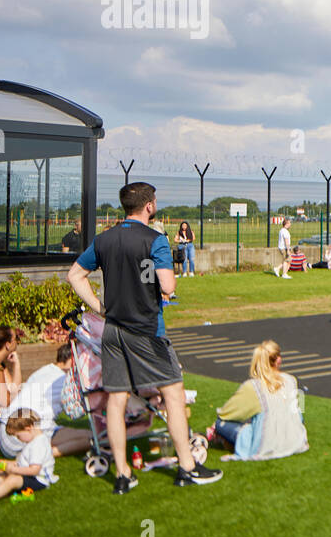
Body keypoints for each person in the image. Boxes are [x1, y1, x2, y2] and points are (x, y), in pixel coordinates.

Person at [67, 181, 222, 493]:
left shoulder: (104, 239)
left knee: (116, 399)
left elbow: (74, 275)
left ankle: (123, 474)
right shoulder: (156, 240)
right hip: (147, 331)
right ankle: (187, 467)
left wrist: (100, 307)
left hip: (113, 331)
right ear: (149, 205)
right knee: (173, 394)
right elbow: (168, 287)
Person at [210, 341, 308, 461]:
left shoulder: (253, 386)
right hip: (296, 441)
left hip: (266, 444)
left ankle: (224, 439)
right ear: (278, 360)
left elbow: (225, 413)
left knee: (220, 423)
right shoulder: (291, 380)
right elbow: (299, 414)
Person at [0, 342, 87, 459]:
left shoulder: (44, 370)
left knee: (68, 432)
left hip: (5, 433)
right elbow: (79, 410)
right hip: (19, 440)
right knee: (88, 438)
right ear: (72, 361)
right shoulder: (65, 381)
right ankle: (45, 453)